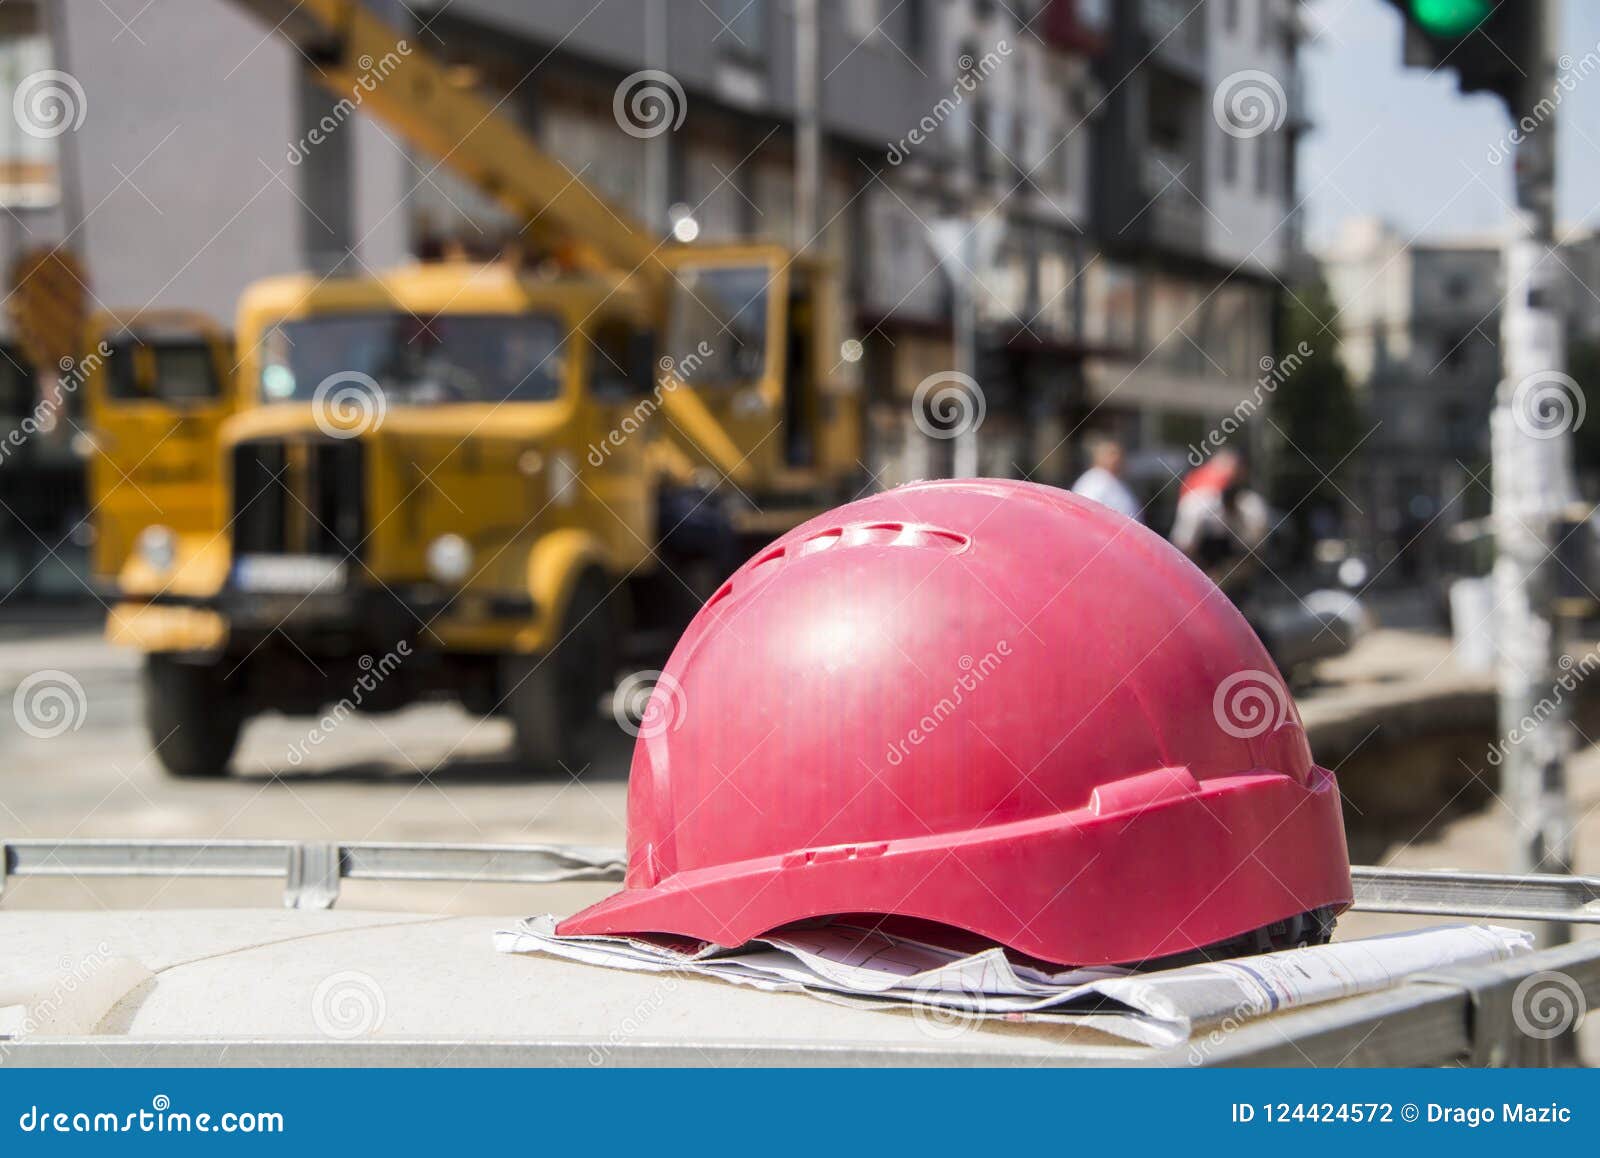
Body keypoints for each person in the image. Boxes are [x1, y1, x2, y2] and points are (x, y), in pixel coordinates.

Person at [1171, 450, 1271, 594]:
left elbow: (1256, 555)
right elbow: (1183, 550)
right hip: (1199, 582)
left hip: (1238, 584)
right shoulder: (1196, 505)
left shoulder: (1252, 508)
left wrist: (1227, 577)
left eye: (1233, 476)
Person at [1070, 435, 1140, 521]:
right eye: (1112, 454)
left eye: (1120, 454)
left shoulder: (1115, 481)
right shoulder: (1092, 482)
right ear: (1098, 456)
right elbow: (1086, 515)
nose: (1118, 458)